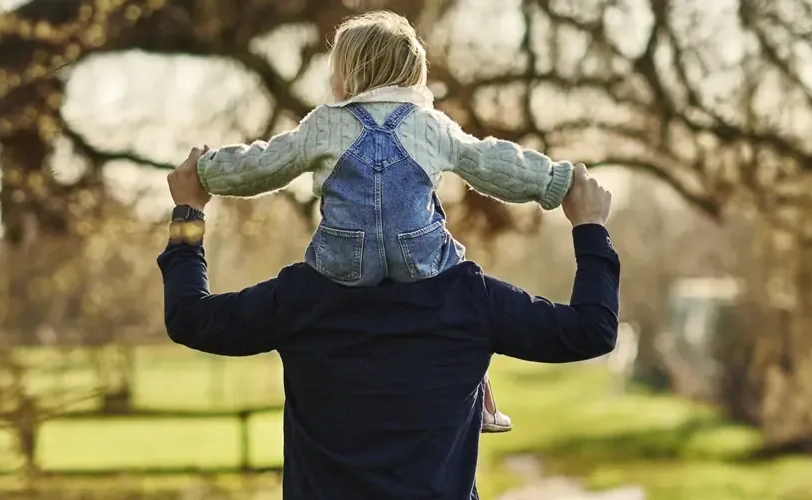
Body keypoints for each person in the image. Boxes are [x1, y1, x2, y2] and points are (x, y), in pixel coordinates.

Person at [190, 10, 580, 433]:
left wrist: (208, 172)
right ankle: (480, 393)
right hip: (421, 260)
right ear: (413, 73)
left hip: (341, 261)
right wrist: (555, 182)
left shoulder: (324, 125)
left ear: (349, 72)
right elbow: (490, 163)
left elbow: (265, 165)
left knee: (314, 293)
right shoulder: (429, 125)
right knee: (463, 276)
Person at [158, 147, 620, 499]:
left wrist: (189, 214)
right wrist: (590, 226)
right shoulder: (468, 298)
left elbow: (189, 317)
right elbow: (590, 329)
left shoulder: (300, 298)